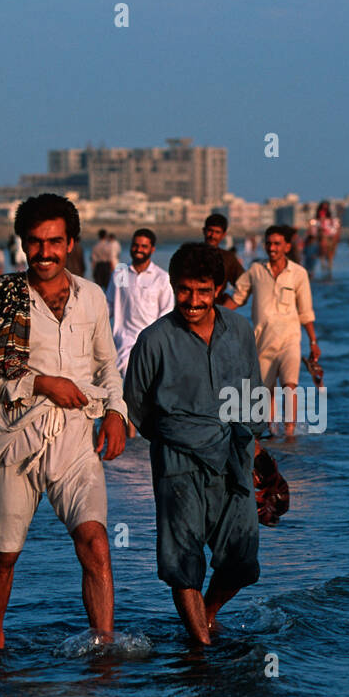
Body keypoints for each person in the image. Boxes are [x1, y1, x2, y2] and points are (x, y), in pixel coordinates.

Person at [0, 193, 127, 650]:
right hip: (17, 440)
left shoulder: (92, 296)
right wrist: (40, 384)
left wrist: (117, 412)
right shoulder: (3, 299)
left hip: (76, 438)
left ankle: (103, 647)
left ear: (71, 242)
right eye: (34, 243)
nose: (44, 253)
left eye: (54, 242)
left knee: (94, 541)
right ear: (22, 244)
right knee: (4, 555)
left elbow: (107, 366)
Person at [123, 243, 266, 645]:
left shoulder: (240, 330)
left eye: (204, 291)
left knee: (242, 563)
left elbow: (252, 394)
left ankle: (206, 615)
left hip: (234, 457)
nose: (194, 301)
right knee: (183, 563)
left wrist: (260, 457)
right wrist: (175, 437)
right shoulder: (154, 340)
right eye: (185, 290)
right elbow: (136, 405)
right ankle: (201, 649)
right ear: (172, 286)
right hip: (177, 462)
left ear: (219, 288)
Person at [222, 225, 319, 436]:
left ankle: (290, 433)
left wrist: (313, 342)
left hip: (290, 341)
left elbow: (306, 312)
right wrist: (212, 314)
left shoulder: (298, 274)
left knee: (289, 385)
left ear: (286, 246)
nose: (272, 248)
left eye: (276, 244)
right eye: (268, 243)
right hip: (262, 342)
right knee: (266, 392)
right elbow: (237, 298)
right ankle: (273, 432)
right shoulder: (256, 271)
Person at [108, 228, 173, 438]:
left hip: (151, 345)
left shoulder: (161, 278)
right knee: (125, 392)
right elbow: (109, 304)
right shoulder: (121, 273)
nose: (138, 249)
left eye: (144, 246)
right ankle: (130, 437)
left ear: (152, 249)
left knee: (149, 395)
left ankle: (142, 441)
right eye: (136, 245)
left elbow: (167, 314)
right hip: (123, 342)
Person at [203, 213, 245, 296]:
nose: (212, 236)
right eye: (210, 231)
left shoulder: (228, 258)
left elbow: (244, 285)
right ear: (204, 231)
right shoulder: (191, 254)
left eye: (217, 232)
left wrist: (231, 303)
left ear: (224, 235)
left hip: (217, 305)